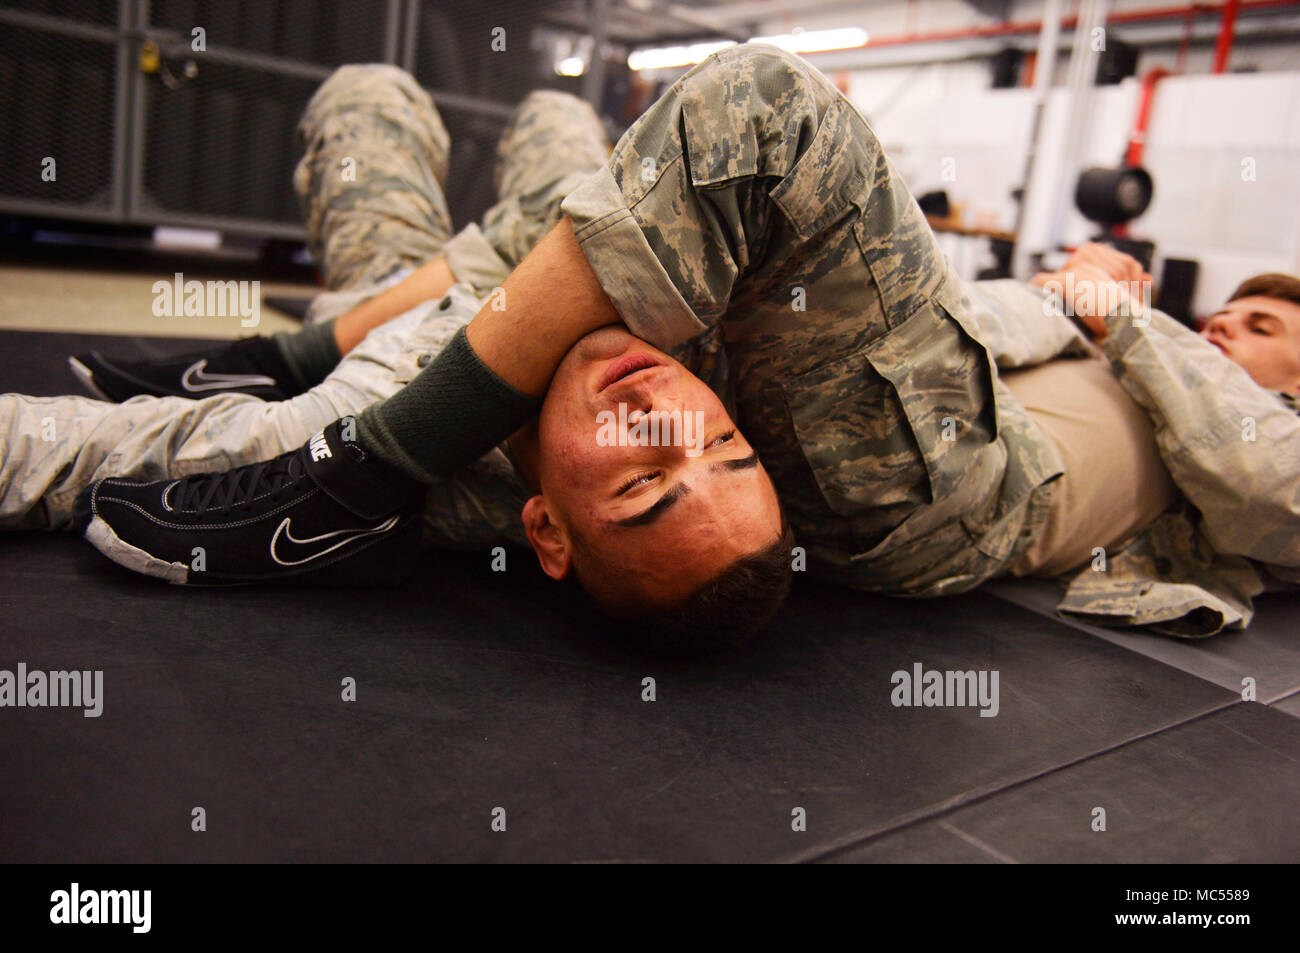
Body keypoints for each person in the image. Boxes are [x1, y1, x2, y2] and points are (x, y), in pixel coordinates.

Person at [5, 45, 1299, 644]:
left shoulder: (1236, 420)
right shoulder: (1101, 327)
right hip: (798, 397)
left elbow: (1267, 488)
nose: (1236, 324)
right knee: (541, 119)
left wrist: (1128, 311)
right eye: (1240, 308)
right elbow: (943, 332)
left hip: (953, 500)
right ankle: (311, 361)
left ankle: (365, 446)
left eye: (1275, 330)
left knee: (770, 118)